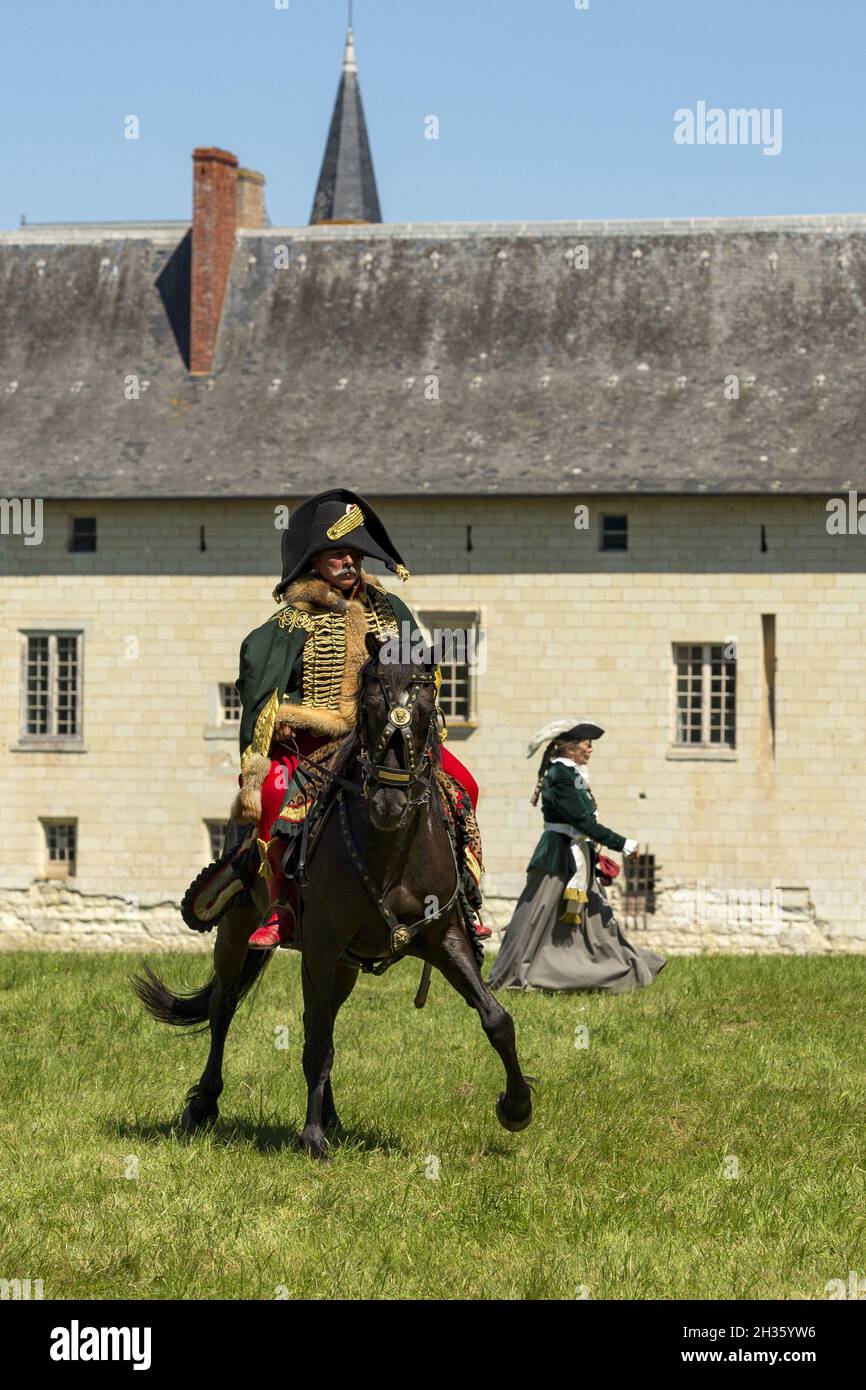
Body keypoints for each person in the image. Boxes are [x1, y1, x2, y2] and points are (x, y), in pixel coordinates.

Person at [211, 489, 485, 950]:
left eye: (354, 553)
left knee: (465, 785)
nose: (347, 562)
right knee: (277, 792)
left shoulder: (390, 610)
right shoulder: (288, 625)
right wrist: (279, 721)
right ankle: (283, 907)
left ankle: (464, 902)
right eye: (336, 553)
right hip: (317, 746)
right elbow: (262, 692)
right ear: (314, 560)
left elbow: (421, 671)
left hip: (390, 740)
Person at [488, 719, 666, 993]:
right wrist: (624, 844)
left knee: (596, 915)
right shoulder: (561, 775)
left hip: (579, 855)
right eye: (587, 744)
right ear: (570, 749)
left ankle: (611, 967)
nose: (590, 750)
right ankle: (515, 973)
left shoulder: (573, 774)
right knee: (536, 917)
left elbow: (584, 820)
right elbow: (583, 821)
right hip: (558, 856)